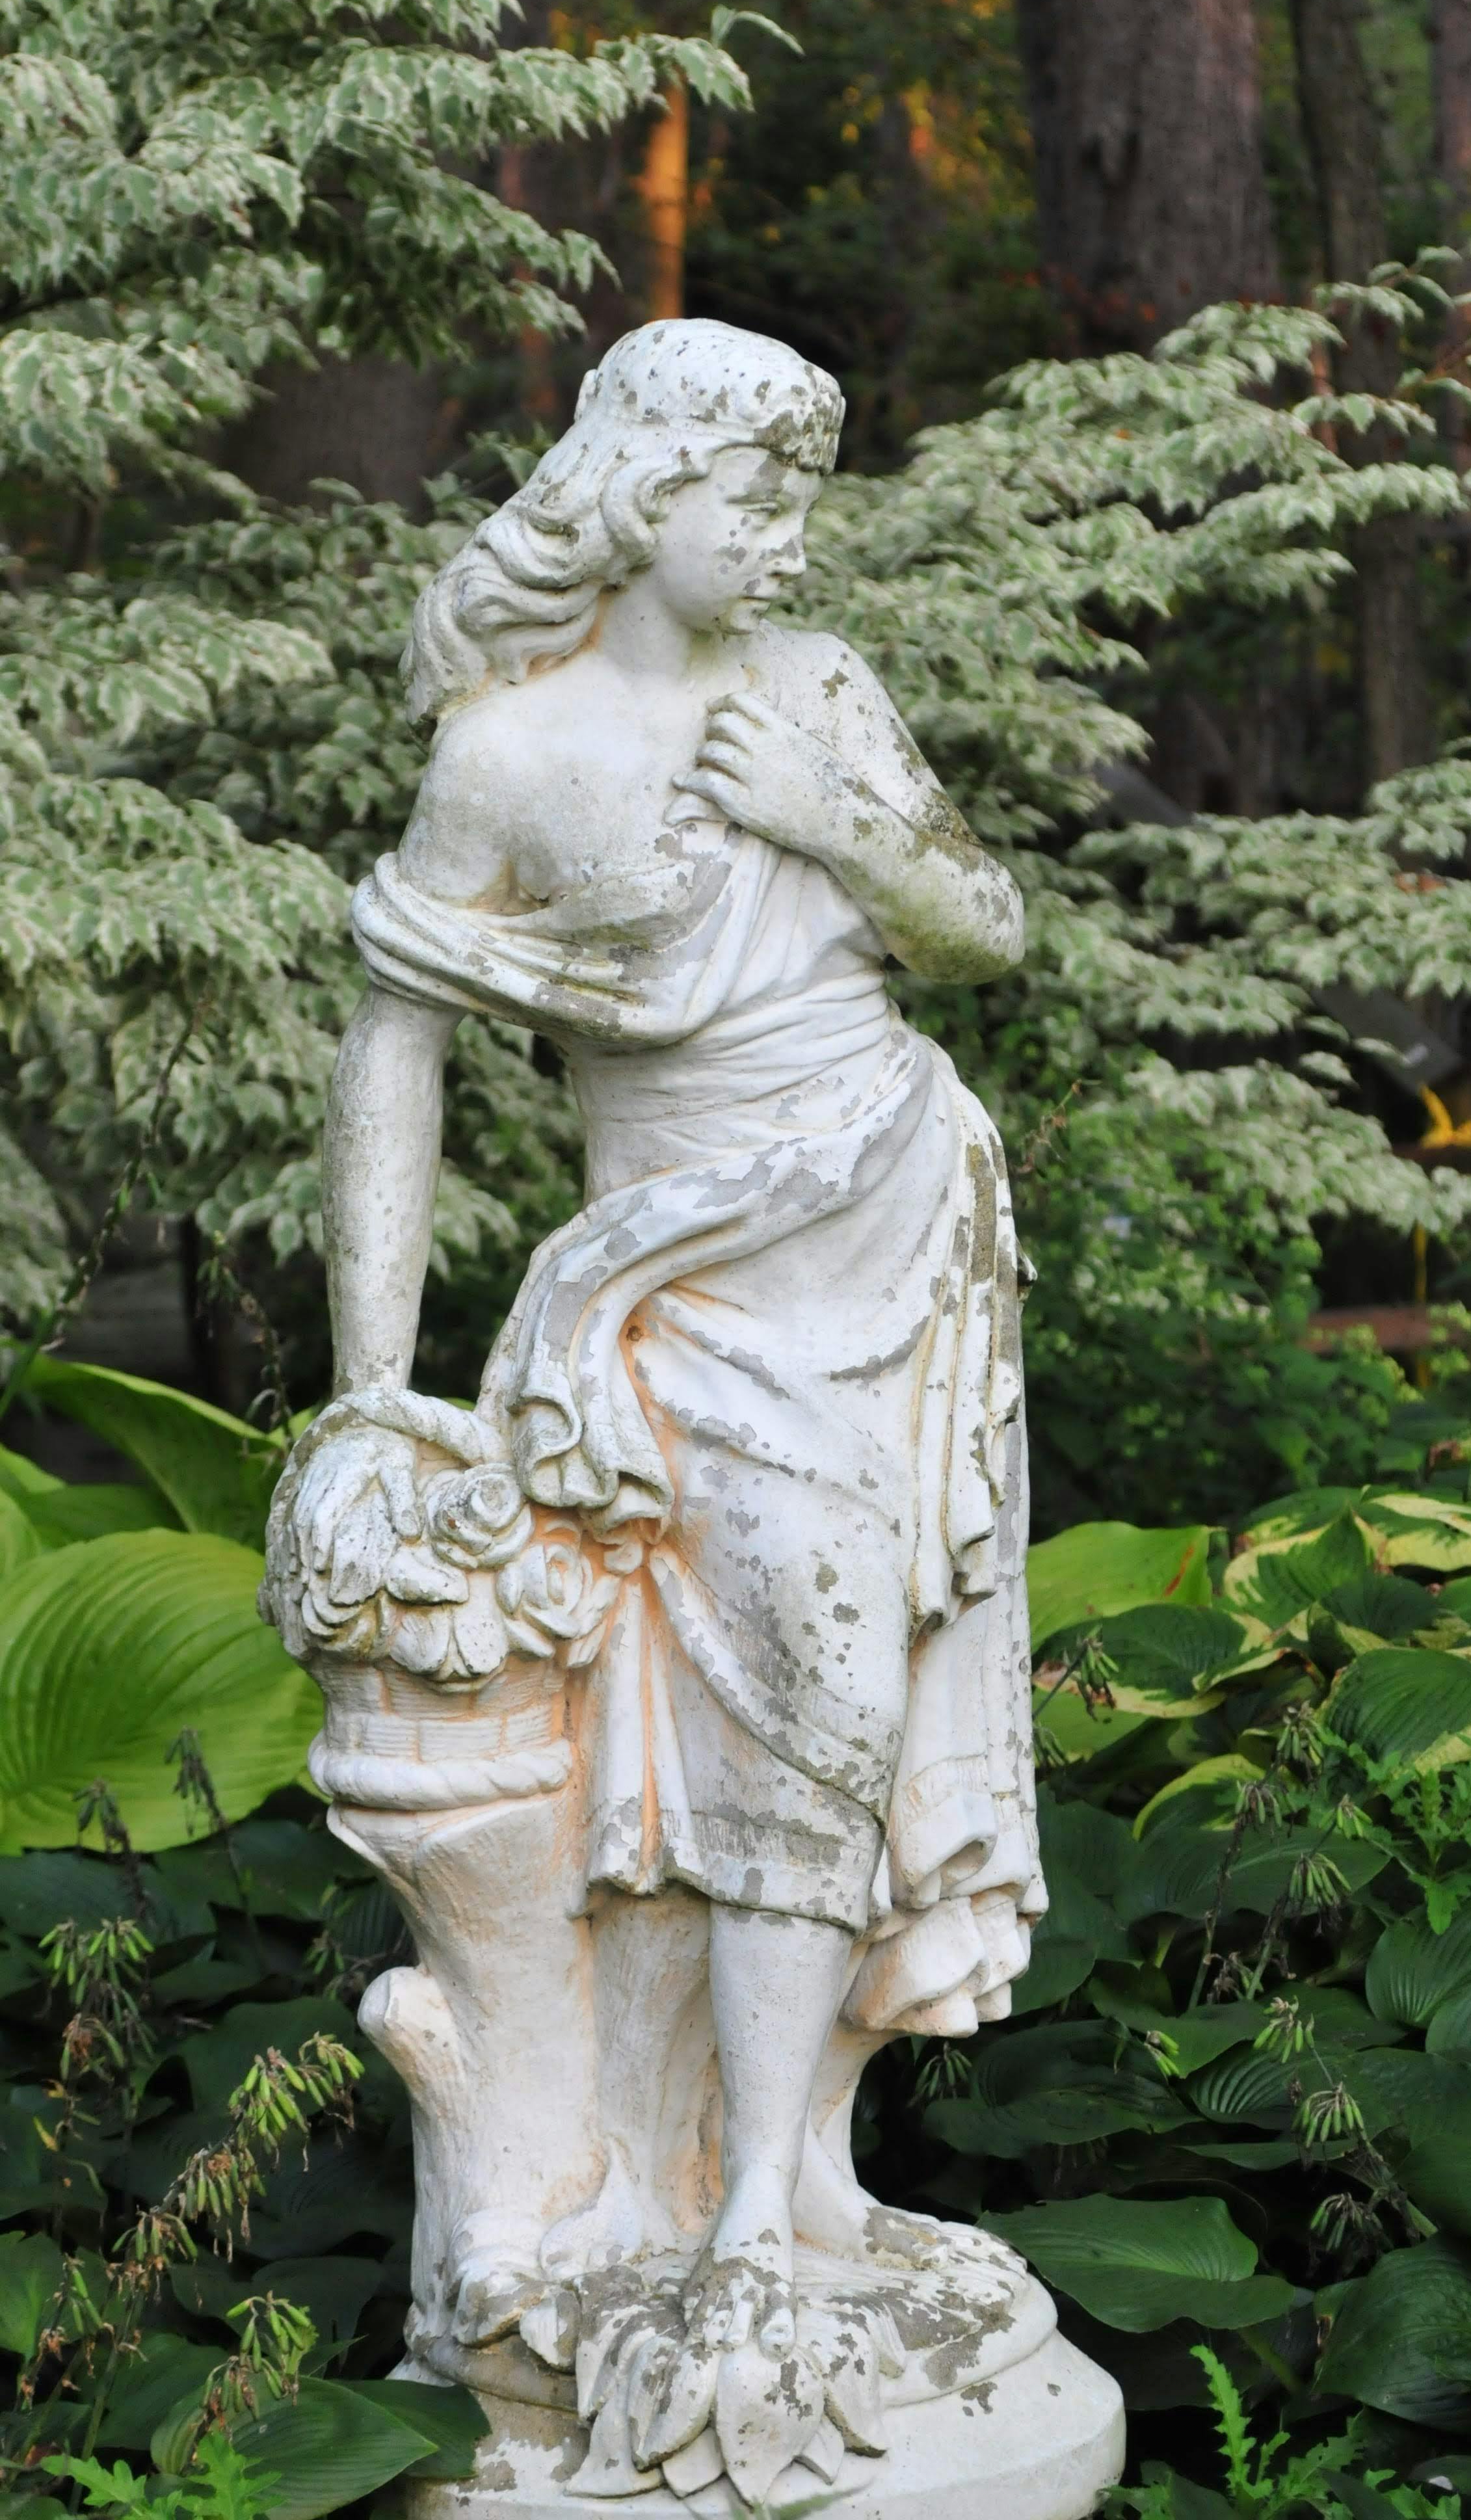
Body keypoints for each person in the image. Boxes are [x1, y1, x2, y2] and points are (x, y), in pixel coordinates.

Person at [273, 321, 1042, 2388]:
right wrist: (371, 1377)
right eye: (758, 502)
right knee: (752, 1708)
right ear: (638, 498)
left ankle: (780, 2181)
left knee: (842, 1700)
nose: (791, 543)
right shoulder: (505, 755)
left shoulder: (818, 693)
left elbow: (986, 926)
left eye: (807, 501)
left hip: (890, 1226)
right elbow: (396, 1048)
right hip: (681, 1286)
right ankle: (702, 2215)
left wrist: (842, 823)